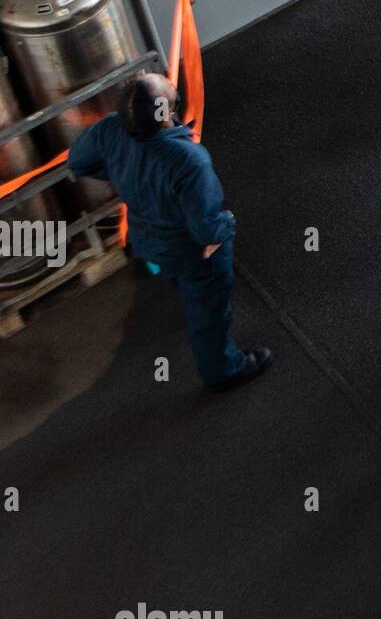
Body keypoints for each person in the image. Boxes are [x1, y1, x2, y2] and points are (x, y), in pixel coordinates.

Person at [66, 74, 272, 391]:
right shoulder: (188, 161)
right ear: (164, 112)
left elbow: (78, 161)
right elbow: (207, 228)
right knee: (208, 310)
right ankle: (224, 370)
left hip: (148, 242)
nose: (171, 82)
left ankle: (187, 297)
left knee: (176, 277)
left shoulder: (110, 129)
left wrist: (126, 176)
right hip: (188, 251)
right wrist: (227, 222)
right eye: (166, 85)